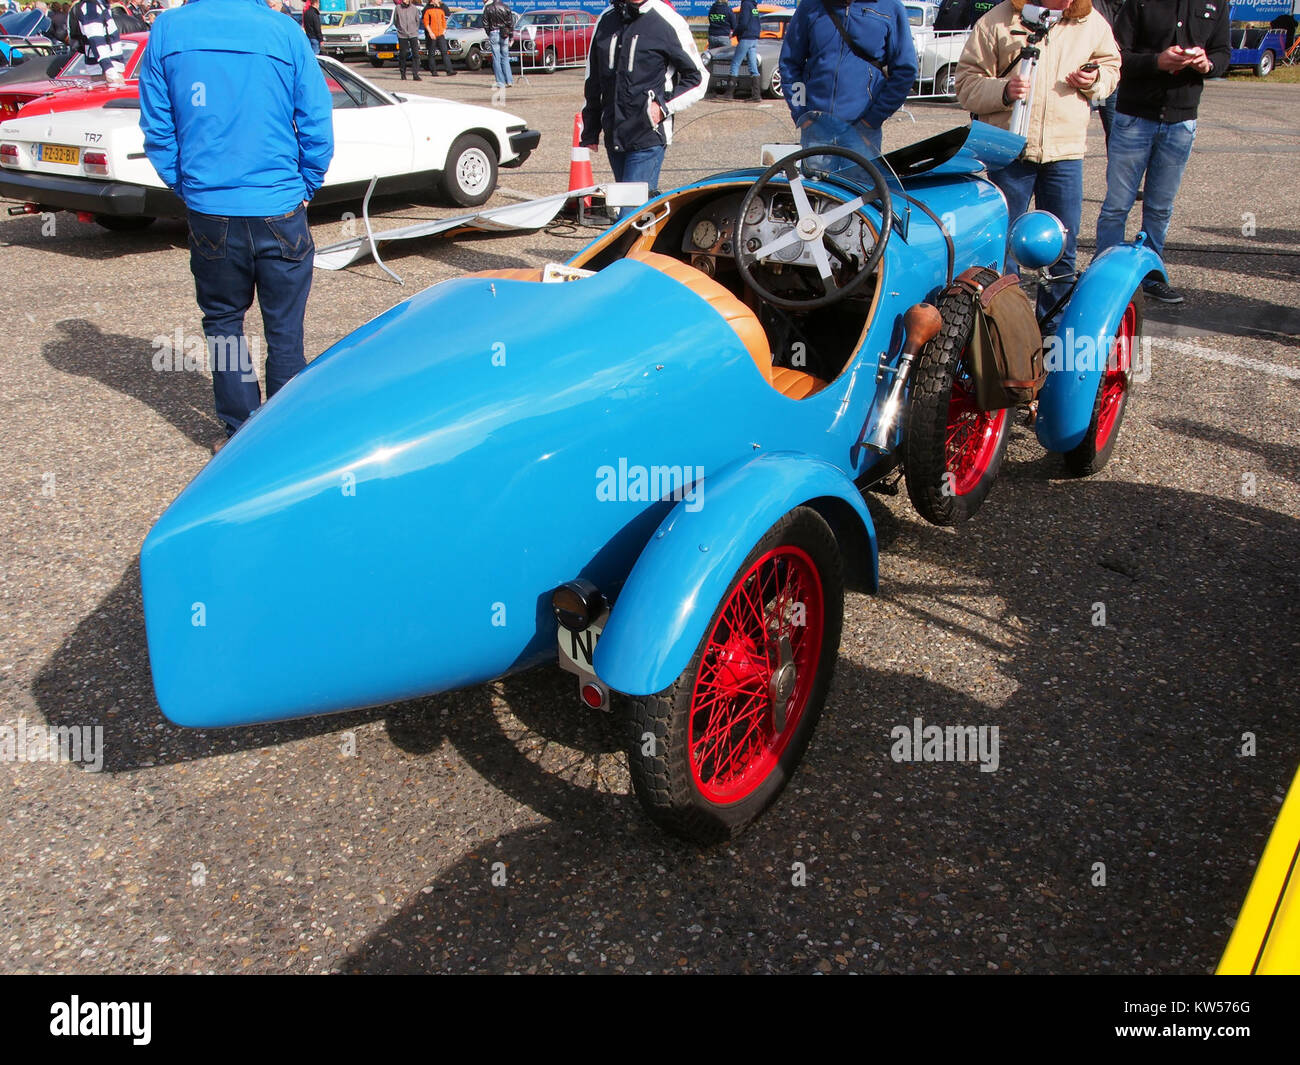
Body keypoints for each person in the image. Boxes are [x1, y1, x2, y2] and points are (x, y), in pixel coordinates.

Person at [138, 0, 334, 453]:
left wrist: (188, 188)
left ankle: (241, 435)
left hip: (213, 208)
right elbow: (316, 119)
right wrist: (306, 184)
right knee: (285, 327)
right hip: (279, 205)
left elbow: (157, 126)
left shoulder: (168, 30)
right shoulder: (283, 31)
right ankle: (285, 434)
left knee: (224, 324)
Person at [956, 0, 1119, 331]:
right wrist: (1004, 90)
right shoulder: (996, 21)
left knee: (1062, 248)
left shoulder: (1092, 22)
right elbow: (966, 84)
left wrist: (1093, 79)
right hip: (1009, 152)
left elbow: (1112, 70)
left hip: (1065, 153)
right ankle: (1004, 329)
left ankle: (1051, 327)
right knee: (1003, 248)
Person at [1094, 0, 1229, 305]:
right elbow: (1117, 57)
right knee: (1117, 204)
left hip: (1181, 122)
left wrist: (1207, 64)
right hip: (1134, 118)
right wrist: (1157, 62)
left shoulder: (1215, 4)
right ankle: (1103, 277)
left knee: (1159, 208)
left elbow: (1223, 54)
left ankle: (1151, 276)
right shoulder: (1139, 2)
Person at [580, 0, 707, 218]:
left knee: (630, 216)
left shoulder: (668, 20)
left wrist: (662, 108)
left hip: (648, 136)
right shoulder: (606, 19)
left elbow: (698, 78)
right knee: (633, 213)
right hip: (615, 135)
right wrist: (591, 128)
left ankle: (626, 251)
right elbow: (593, 78)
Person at [778, 0, 916, 156]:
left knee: (860, 181)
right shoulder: (810, 5)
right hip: (816, 130)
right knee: (815, 181)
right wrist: (802, 114)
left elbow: (906, 70)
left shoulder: (890, 7)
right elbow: (790, 63)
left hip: (862, 133)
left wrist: (872, 120)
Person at [67, 0, 125, 84]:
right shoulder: (92, 8)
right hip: (104, 74)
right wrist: (111, 74)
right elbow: (96, 42)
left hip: (106, 71)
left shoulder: (99, 6)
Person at [727, 0, 762, 101]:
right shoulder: (753, 5)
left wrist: (734, 33)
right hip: (754, 38)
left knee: (735, 63)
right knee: (753, 66)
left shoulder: (746, 4)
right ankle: (756, 95)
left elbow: (743, 23)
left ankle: (729, 93)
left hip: (746, 37)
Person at [481, 0, 513, 88]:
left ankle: (500, 82)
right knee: (505, 57)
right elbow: (510, 23)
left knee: (496, 58)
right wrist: (511, 36)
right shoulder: (506, 7)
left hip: (494, 32)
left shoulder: (488, 8)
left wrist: (489, 32)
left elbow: (485, 23)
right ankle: (509, 80)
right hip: (504, 33)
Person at [422, 0, 455, 76]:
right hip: (432, 34)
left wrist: (444, 30)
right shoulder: (427, 9)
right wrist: (430, 32)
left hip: (440, 34)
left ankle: (449, 70)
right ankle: (433, 71)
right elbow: (426, 22)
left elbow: (443, 20)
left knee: (444, 52)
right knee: (431, 53)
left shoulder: (441, 10)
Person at [394, 0, 422, 79]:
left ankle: (415, 74)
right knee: (403, 55)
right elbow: (395, 21)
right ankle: (403, 74)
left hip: (413, 34)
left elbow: (417, 21)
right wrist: (400, 29)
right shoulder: (398, 8)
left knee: (415, 54)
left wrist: (414, 30)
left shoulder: (414, 8)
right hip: (402, 35)